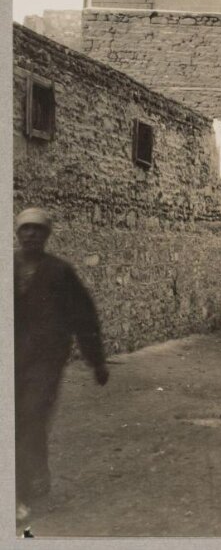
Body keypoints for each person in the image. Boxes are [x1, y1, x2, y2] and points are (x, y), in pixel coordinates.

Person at [14, 208, 109, 521]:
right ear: (17, 233)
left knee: (29, 420)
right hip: (11, 361)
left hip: (44, 364)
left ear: (46, 235)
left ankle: (19, 494)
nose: (30, 235)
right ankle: (35, 472)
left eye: (37, 230)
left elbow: (83, 317)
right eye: (25, 229)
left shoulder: (59, 272)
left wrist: (96, 361)